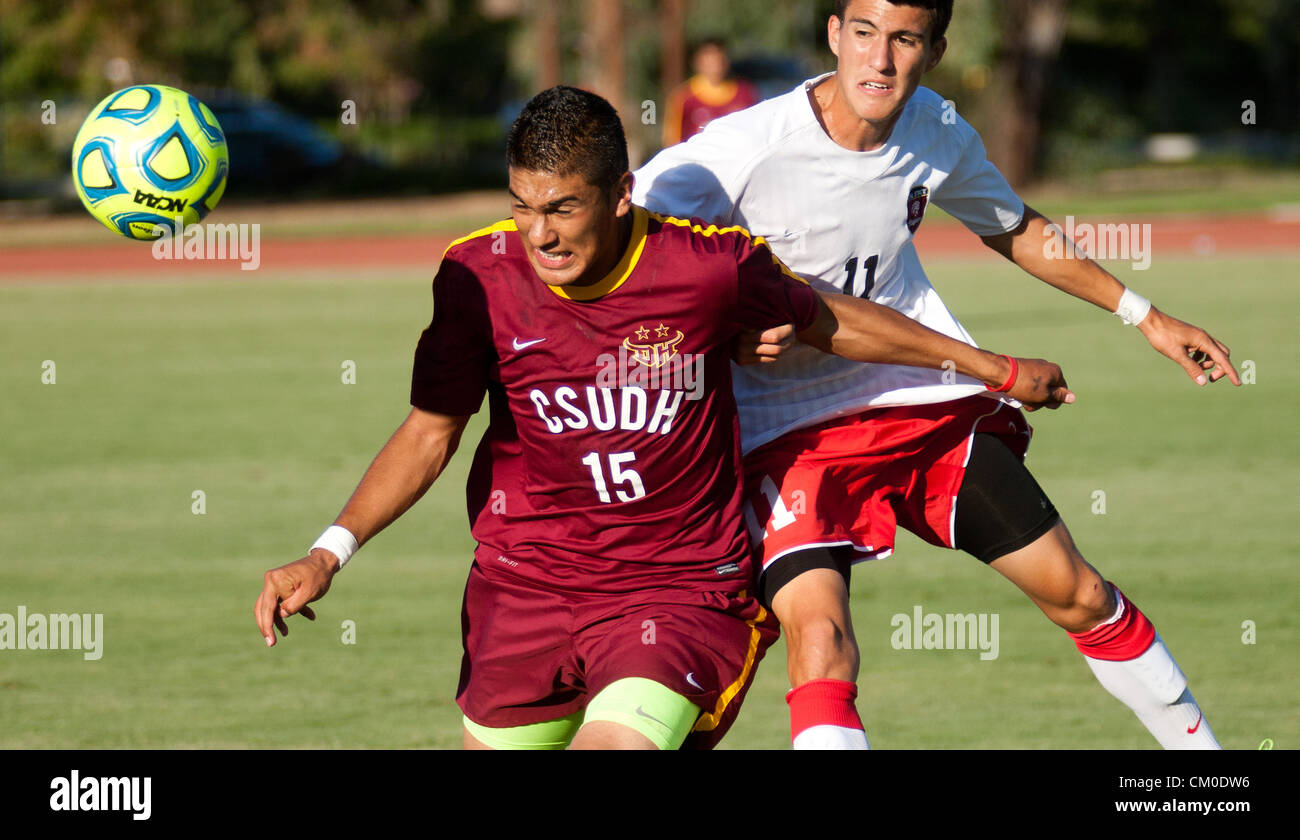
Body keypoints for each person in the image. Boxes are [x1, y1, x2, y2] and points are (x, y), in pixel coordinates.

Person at [253, 84, 1073, 750]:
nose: (538, 234)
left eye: (563, 209)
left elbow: (835, 317)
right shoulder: (475, 278)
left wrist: (993, 369)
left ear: (620, 194)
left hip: (675, 588)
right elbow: (431, 430)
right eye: (523, 207)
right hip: (522, 588)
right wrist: (328, 553)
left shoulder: (702, 265)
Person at [632, 0, 1240, 749]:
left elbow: (1012, 226)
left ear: (935, 49)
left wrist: (1145, 315)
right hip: (779, 429)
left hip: (913, 397)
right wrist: (720, 328)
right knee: (820, 643)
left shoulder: (936, 130)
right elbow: (629, 238)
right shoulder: (742, 148)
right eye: (863, 34)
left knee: (1078, 593)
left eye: (903, 40)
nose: (879, 61)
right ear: (834, 35)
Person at [663, 37, 762, 146]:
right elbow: (672, 143)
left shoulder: (745, 93)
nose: (716, 65)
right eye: (710, 60)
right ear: (697, 62)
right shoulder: (683, 97)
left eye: (719, 59)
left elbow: (757, 133)